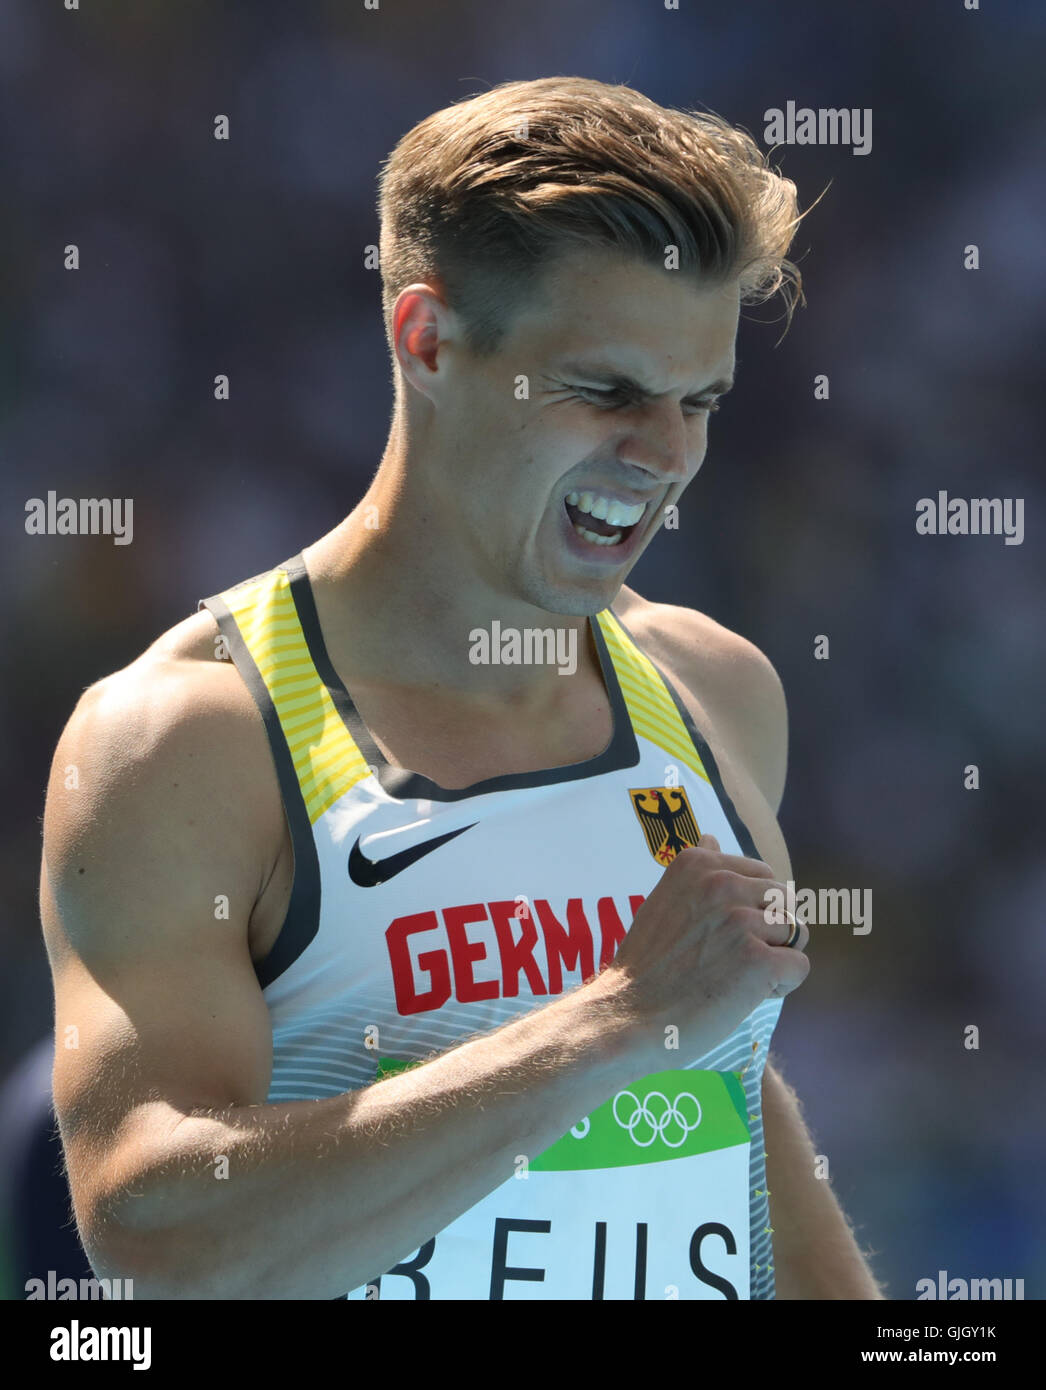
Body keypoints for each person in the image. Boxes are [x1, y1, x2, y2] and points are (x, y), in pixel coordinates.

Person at [39, 76, 883, 1300]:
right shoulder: (185, 739)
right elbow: (159, 1231)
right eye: (606, 392)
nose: (663, 457)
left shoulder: (714, 689)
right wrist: (606, 1024)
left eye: (696, 402)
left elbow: (726, 1082)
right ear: (425, 338)